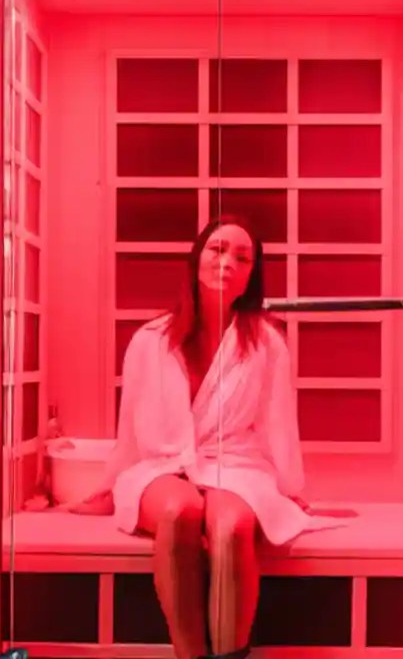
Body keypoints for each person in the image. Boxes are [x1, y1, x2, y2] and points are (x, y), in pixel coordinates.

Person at [71, 215, 345, 659]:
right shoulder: (149, 340)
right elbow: (130, 428)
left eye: (242, 257)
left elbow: (279, 424)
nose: (228, 263)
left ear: (252, 275)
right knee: (181, 511)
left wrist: (291, 490)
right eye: (217, 250)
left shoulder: (266, 343)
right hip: (161, 467)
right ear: (195, 259)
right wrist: (106, 488)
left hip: (234, 465)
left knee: (230, 526)